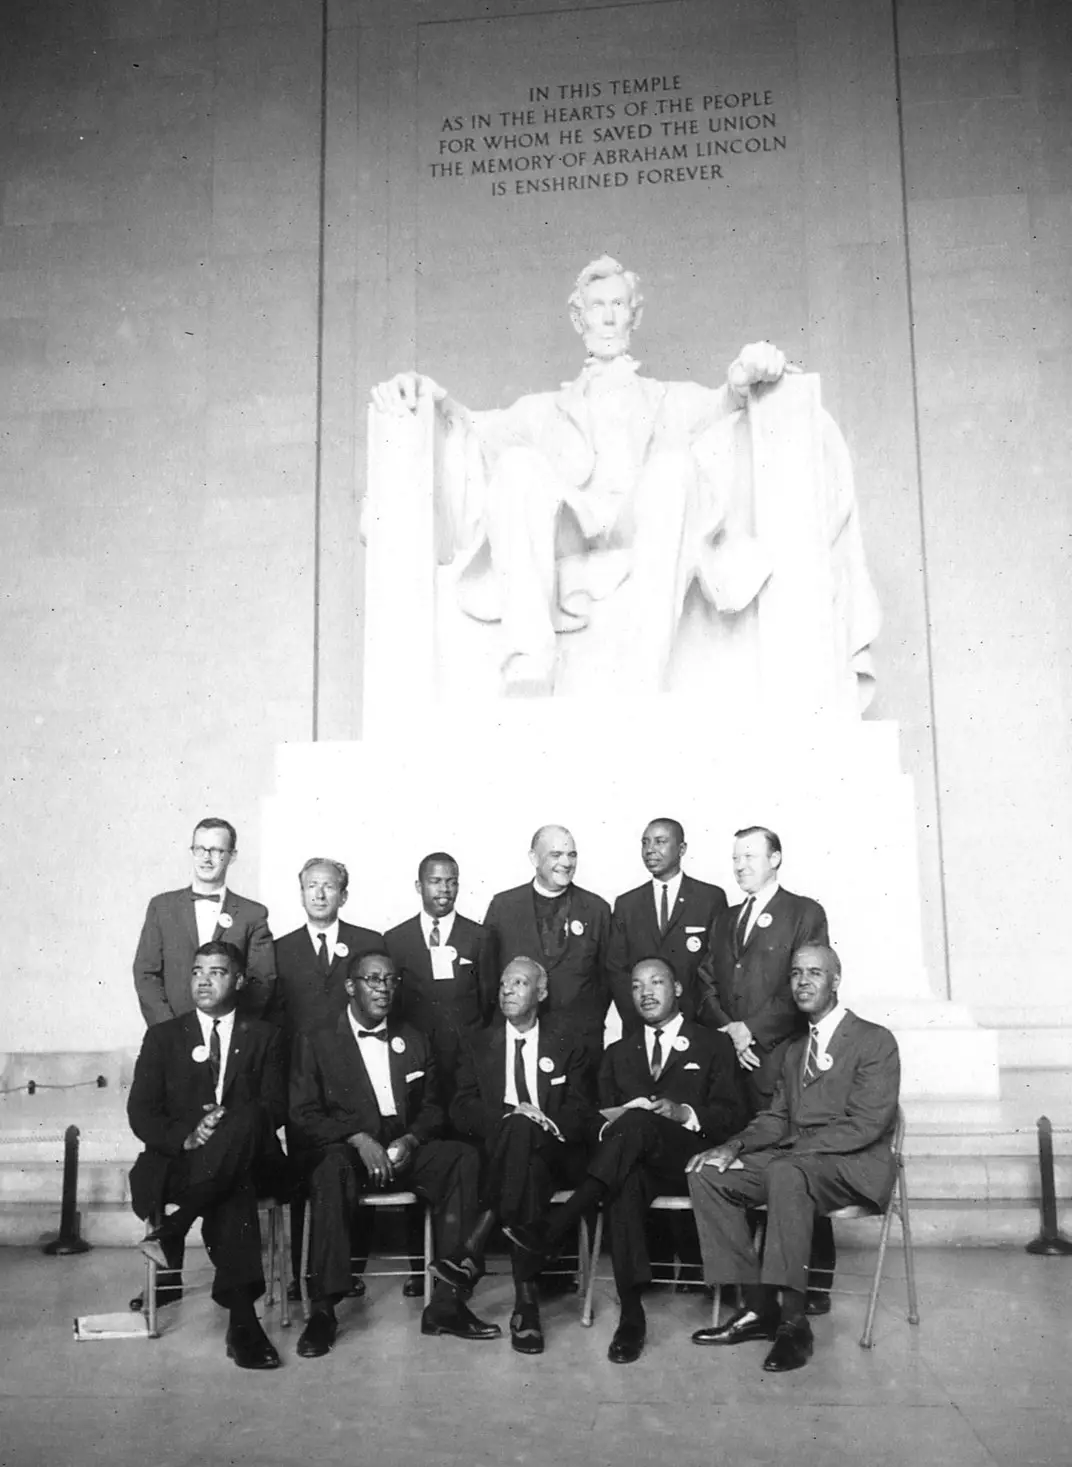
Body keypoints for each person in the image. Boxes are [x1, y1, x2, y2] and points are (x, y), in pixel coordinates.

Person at [372, 256, 797, 695]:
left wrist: (748, 372)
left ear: (635, 314)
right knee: (518, 466)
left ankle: (642, 676)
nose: (609, 317)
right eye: (597, 307)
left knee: (673, 467)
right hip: (573, 529)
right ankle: (531, 663)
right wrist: (428, 396)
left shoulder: (670, 399)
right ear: (579, 318)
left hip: (639, 525)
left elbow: (725, 404)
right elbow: (470, 429)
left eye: (618, 304)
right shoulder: (541, 412)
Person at [510, 957, 748, 1364]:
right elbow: (593, 1120)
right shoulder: (619, 1052)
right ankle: (632, 1316)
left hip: (688, 1161)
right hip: (628, 1165)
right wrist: (616, 1121)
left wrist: (684, 1113)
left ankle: (556, 1225)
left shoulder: (713, 1044)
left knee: (636, 1130)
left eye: (656, 982)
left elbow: (733, 1115)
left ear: (676, 989)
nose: (646, 992)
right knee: (625, 1177)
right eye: (636, 986)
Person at [686, 944, 900, 1372]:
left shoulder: (874, 1040)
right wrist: (734, 1146)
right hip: (798, 1166)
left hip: (853, 1165)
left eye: (815, 973)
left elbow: (867, 1124)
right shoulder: (793, 1050)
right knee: (708, 1174)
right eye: (797, 973)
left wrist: (794, 1152)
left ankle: (794, 1321)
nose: (803, 982)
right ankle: (757, 1306)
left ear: (836, 980)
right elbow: (776, 1119)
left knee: (786, 1171)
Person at [288, 950, 499, 1356]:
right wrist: (356, 1137)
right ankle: (322, 1312)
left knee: (462, 1158)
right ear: (351, 986)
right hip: (348, 1149)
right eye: (372, 980)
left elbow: (435, 1107)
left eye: (389, 980)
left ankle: (447, 1302)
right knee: (330, 1170)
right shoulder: (316, 1039)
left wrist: (411, 1140)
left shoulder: (415, 1037)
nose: (383, 988)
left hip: (402, 1145)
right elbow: (302, 1115)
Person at [128, 941, 287, 1370]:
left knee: (250, 1117)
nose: (203, 979)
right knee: (234, 1188)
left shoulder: (266, 1036)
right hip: (180, 1163)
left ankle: (175, 1229)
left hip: (247, 1157)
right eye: (198, 970)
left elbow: (276, 1108)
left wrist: (226, 1125)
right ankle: (243, 1325)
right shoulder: (163, 1037)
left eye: (216, 972)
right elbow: (140, 1113)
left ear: (238, 980)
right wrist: (188, 1136)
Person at [696, 824, 835, 1306]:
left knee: (793, 1166)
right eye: (735, 858)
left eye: (750, 856)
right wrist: (730, 1030)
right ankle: (749, 1290)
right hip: (732, 1064)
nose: (740, 866)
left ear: (776, 859)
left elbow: (802, 988)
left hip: (777, 1061)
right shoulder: (725, 919)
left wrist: (748, 1030)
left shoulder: (804, 913)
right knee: (737, 1166)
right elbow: (707, 983)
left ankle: (810, 1284)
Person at [429, 957, 595, 1355]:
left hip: (557, 1152)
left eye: (519, 983)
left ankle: (473, 1246)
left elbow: (582, 1111)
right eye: (504, 983)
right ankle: (526, 1303)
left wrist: (541, 1122)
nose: (507, 990)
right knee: (523, 1151)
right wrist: (511, 1117)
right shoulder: (477, 1042)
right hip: (506, 1156)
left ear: (541, 993)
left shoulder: (569, 1040)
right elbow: (461, 1109)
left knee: (528, 1140)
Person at [482, 825, 611, 1066]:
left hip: (580, 1046)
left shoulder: (597, 909)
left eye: (572, 855)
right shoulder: (504, 907)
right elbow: (488, 977)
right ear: (534, 858)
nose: (566, 862)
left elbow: (605, 980)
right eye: (556, 855)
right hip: (519, 1041)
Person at [133, 817, 276, 1025]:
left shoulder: (252, 914)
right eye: (200, 849)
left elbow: (262, 980)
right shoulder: (161, 907)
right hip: (174, 1032)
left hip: (230, 1035)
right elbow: (146, 974)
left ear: (232, 856)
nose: (206, 858)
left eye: (217, 851)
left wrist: (234, 1031)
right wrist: (168, 1031)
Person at [384, 851, 490, 1108]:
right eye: (436, 881)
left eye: (451, 881)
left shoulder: (480, 937)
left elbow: (489, 1000)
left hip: (465, 1059)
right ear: (419, 886)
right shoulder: (395, 939)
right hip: (415, 1057)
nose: (444, 889)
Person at [606, 818, 727, 1034]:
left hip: (698, 1026)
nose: (650, 850)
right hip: (642, 1027)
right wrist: (641, 1017)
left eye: (660, 841)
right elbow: (617, 970)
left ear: (682, 849)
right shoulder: (627, 904)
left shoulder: (710, 898)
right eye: (645, 843)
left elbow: (716, 966)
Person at [267, 858, 384, 1043]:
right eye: (312, 886)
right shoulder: (279, 949)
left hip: (354, 1052)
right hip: (297, 1058)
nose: (319, 895)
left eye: (328, 887)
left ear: (343, 896)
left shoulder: (369, 942)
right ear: (302, 895)